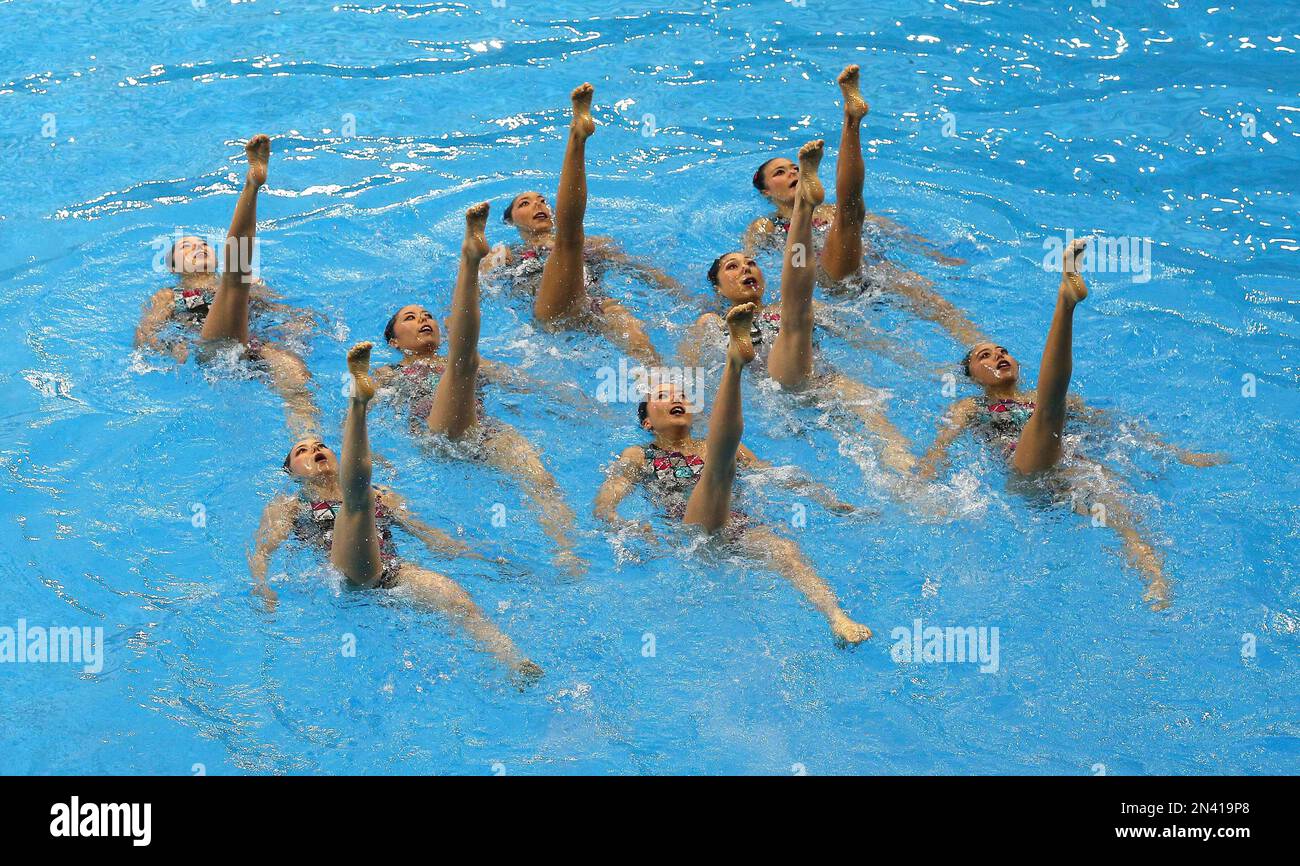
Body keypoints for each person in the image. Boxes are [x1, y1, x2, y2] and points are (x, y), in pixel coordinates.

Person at [915, 237, 1226, 609]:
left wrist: (1176, 454)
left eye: (1003, 351)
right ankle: (1065, 304)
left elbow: (1115, 429)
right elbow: (941, 447)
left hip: (1066, 465)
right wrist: (922, 486)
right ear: (973, 376)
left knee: (1120, 512)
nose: (999, 356)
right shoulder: (968, 406)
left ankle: (1155, 578)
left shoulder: (1053, 401)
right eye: (985, 356)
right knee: (1051, 408)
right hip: (1025, 470)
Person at [250, 341, 544, 685]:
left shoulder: (383, 495)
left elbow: (428, 535)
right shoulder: (290, 505)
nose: (314, 450)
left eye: (320, 446)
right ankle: (358, 407)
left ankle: (513, 661)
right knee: (357, 500)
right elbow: (264, 550)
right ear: (291, 472)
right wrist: (262, 587)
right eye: (302, 450)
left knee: (453, 596)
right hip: (342, 573)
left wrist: (485, 559)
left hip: (387, 570)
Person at [596, 303, 873, 646]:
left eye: (681, 395)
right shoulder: (638, 454)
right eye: (663, 397)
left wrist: (827, 500)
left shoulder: (717, 447)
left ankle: (837, 617)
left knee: (786, 551)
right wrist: (629, 528)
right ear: (646, 422)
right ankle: (734, 365)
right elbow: (605, 506)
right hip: (690, 529)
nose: (676, 398)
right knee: (719, 464)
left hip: (736, 524)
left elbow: (776, 475)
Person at [683, 140, 918, 476]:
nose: (746, 269)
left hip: (819, 376)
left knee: (874, 414)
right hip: (776, 380)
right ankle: (805, 209)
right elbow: (692, 375)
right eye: (732, 268)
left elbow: (861, 338)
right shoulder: (710, 321)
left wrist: (918, 364)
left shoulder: (785, 302)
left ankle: (907, 474)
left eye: (750, 263)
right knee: (797, 311)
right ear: (718, 289)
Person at [375, 202, 583, 574]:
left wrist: (574, 407)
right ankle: (468, 262)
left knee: (539, 476)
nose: (423, 319)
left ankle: (566, 548)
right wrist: (378, 462)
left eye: (427, 315)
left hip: (481, 431)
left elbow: (528, 386)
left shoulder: (481, 365)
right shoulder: (386, 375)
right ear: (393, 341)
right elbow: (358, 418)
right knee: (462, 360)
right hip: (436, 434)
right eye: (410, 318)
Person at [744, 65, 983, 346]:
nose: (791, 173)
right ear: (765, 192)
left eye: (795, 168)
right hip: (830, 276)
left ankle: (976, 342)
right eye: (780, 173)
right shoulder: (766, 225)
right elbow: (750, 263)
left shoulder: (828, 211)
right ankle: (852, 119)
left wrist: (936, 255)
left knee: (932, 300)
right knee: (849, 212)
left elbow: (892, 232)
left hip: (871, 272)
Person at [134, 134, 319, 436]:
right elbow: (146, 332)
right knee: (237, 279)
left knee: (296, 373)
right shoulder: (170, 294)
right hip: (213, 347)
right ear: (172, 268)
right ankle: (252, 185)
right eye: (186, 247)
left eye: (204, 244)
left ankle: (308, 439)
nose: (198, 248)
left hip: (254, 344)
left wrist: (298, 325)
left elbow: (278, 311)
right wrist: (170, 348)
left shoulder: (255, 285)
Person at [482, 83, 678, 367]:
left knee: (639, 340)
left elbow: (639, 268)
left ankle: (663, 389)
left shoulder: (597, 244)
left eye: (542, 200)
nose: (538, 205)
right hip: (551, 310)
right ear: (511, 220)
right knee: (570, 238)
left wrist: (681, 294)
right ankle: (577, 137)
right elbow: (477, 288)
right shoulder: (505, 254)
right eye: (524, 203)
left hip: (592, 303)